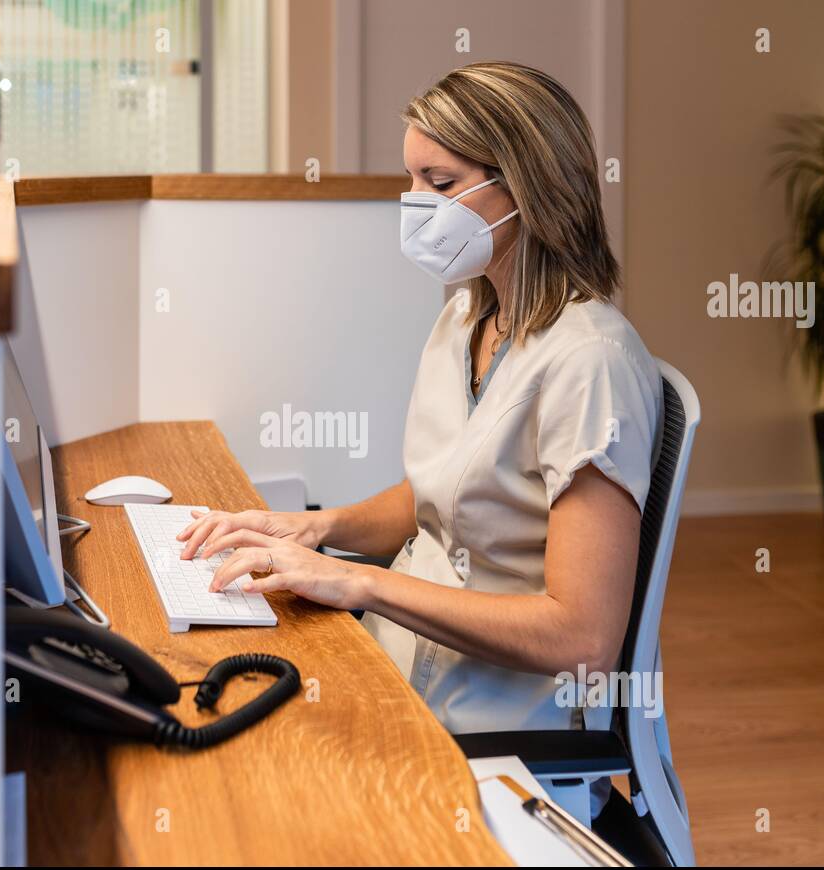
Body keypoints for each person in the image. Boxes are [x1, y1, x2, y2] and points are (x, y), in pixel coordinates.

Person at [178, 61, 662, 822]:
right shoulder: (467, 317)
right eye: (411, 182)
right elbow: (438, 491)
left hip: (492, 731)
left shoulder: (591, 362)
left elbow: (582, 637)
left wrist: (361, 583)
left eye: (439, 184)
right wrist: (314, 529)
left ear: (526, 184)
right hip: (397, 668)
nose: (416, 207)